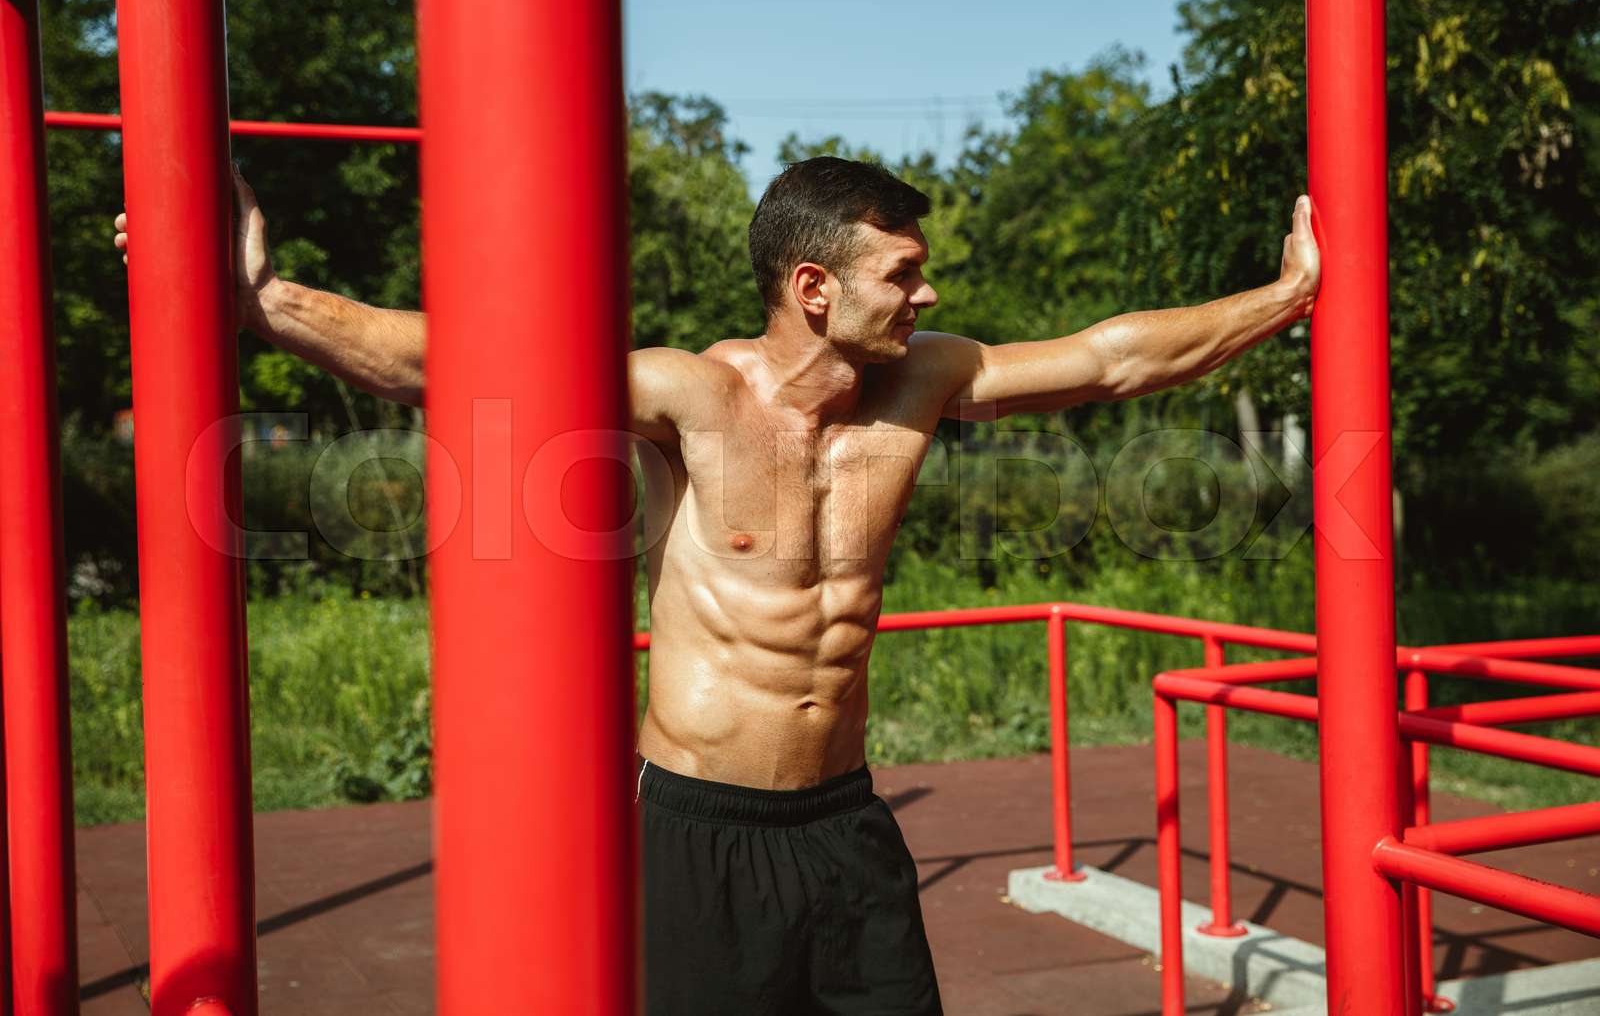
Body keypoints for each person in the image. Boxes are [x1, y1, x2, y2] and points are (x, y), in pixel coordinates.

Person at [113, 156, 1320, 1014]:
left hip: (845, 819)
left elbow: (1113, 360)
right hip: (700, 830)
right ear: (813, 287)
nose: (928, 294)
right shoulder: (689, 397)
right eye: (902, 272)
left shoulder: (927, 380)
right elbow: (449, 359)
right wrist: (266, 302)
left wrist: (1286, 295)